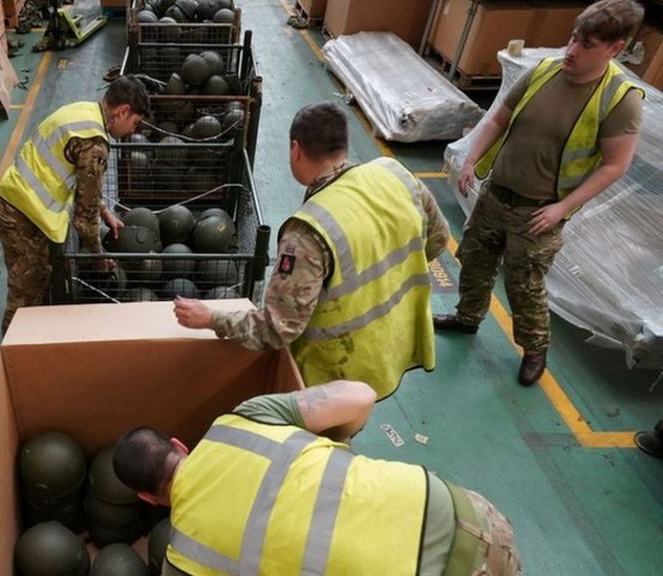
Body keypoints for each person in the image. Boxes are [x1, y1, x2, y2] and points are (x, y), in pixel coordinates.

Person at [174, 103, 449, 400]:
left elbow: (278, 328)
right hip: (391, 348)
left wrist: (211, 318)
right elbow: (438, 240)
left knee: (323, 442)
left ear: (296, 149)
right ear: (343, 144)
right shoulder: (394, 173)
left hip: (336, 373)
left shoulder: (309, 231)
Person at [435, 0, 644, 387]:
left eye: (587, 45)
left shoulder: (619, 99)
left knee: (525, 285)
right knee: (476, 260)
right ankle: (467, 317)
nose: (572, 51)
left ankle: (534, 349)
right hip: (496, 194)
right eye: (573, 38)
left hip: (539, 212)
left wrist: (562, 208)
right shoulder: (544, 71)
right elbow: (499, 116)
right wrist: (470, 161)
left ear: (615, 49)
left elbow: (616, 164)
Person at [113, 382, 522, 576]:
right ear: (178, 445)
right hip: (458, 509)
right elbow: (360, 397)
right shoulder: (242, 418)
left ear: (147, 499)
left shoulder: (184, 560)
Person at [0, 75, 150, 333]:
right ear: (123, 111)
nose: (133, 131)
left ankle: (29, 339)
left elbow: (82, 184)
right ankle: (13, 353)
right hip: (23, 217)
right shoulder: (95, 143)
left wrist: (105, 211)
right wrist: (99, 259)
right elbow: (85, 220)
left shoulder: (82, 112)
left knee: (32, 280)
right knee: (25, 294)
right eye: (135, 123)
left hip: (13, 203)